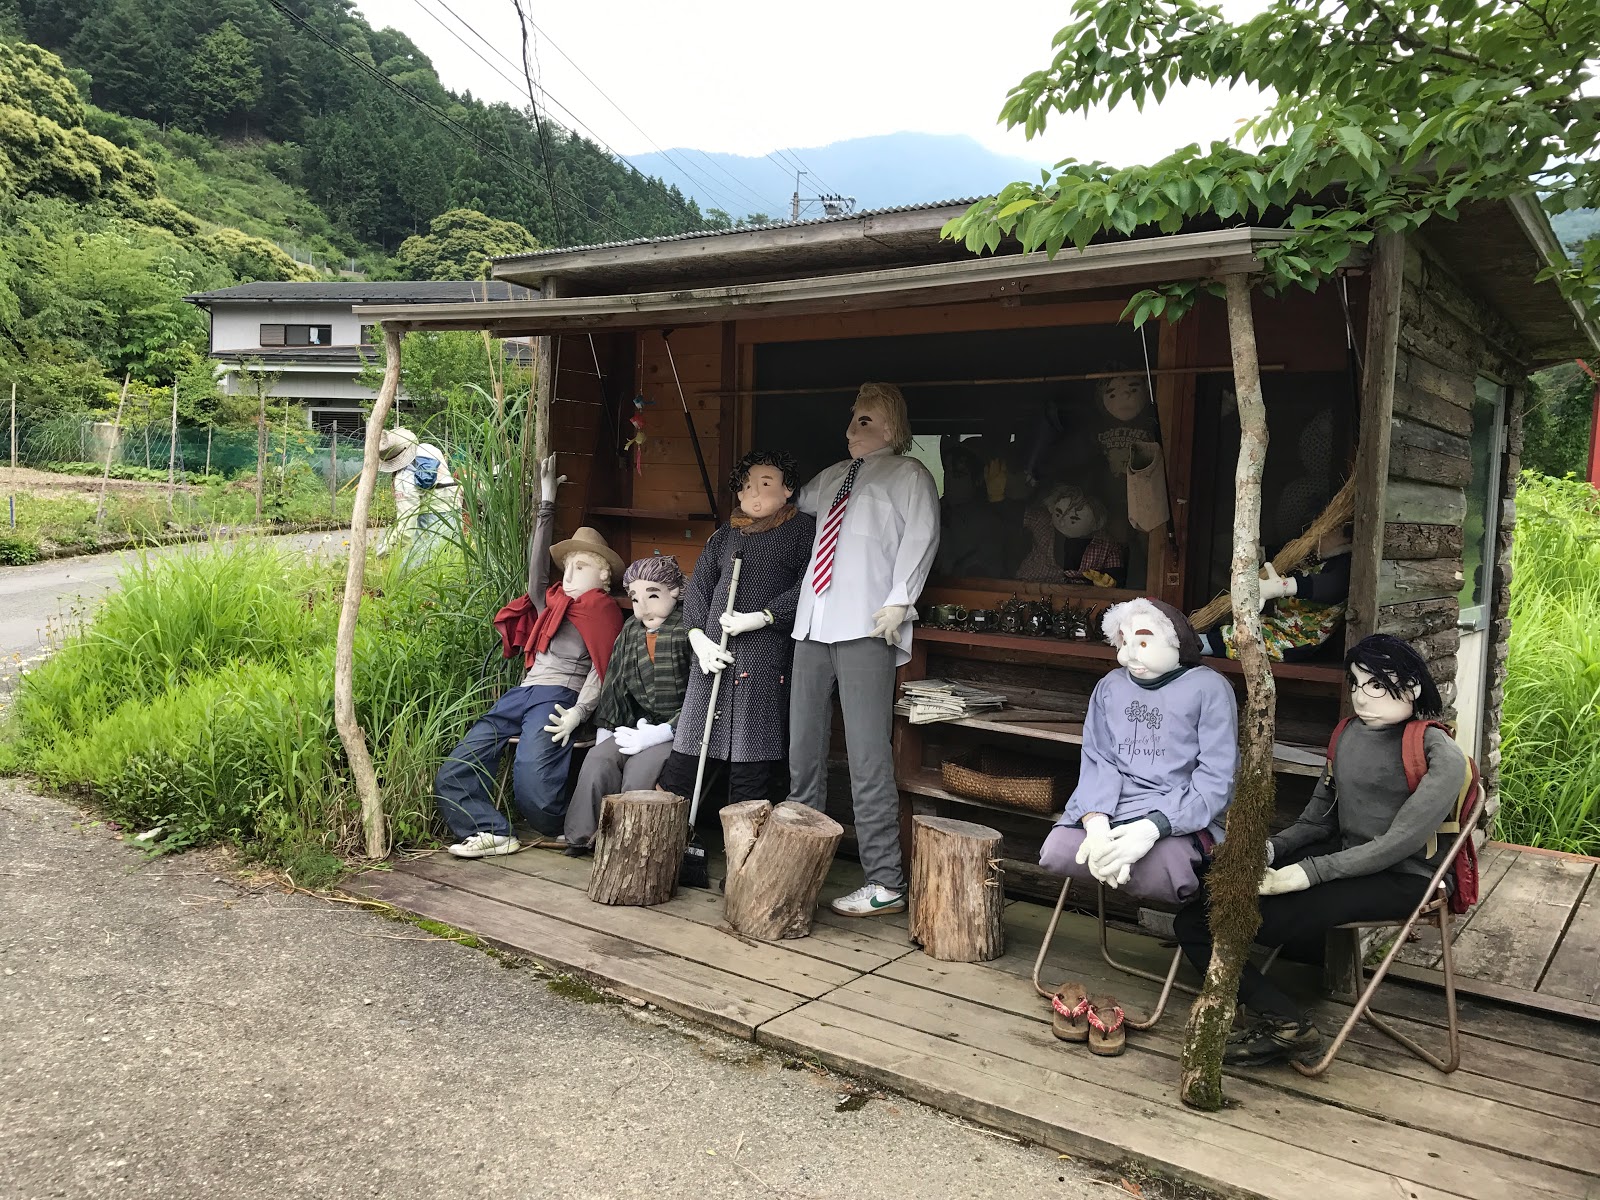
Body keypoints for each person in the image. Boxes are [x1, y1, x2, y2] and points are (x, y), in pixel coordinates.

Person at [1172, 634, 1470, 1066]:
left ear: (1414, 687)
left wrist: (1306, 873)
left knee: (1263, 919)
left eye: (1378, 685)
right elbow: (1318, 819)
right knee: (1197, 914)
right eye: (1356, 684)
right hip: (1344, 862)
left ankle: (1283, 1024)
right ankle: (1286, 1019)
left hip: (1406, 878)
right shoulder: (1346, 734)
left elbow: (1395, 844)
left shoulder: (1438, 752)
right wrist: (1269, 851)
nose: (1363, 697)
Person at [789, 383, 940, 917]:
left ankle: (885, 879)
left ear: (894, 430)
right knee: (803, 749)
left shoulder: (909, 475)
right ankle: (796, 859)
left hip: (866, 624)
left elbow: (922, 538)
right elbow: (788, 498)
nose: (855, 428)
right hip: (812, 624)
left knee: (867, 755)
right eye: (854, 419)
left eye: (868, 420)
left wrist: (900, 601)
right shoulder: (831, 477)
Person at [433, 455, 625, 858]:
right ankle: (491, 831)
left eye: (582, 566)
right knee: (456, 766)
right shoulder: (551, 602)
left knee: (533, 784)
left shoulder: (602, 611)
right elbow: (536, 571)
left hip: (560, 695)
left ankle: (561, 825)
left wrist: (581, 711)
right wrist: (547, 501)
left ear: (604, 576)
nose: (569, 574)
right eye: (567, 566)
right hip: (521, 693)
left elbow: (602, 667)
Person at [1039, 597, 1238, 904]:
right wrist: (1096, 824)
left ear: (1177, 643)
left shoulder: (1210, 688)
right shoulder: (1110, 686)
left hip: (1178, 809)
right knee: (1059, 849)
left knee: (1166, 868)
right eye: (1124, 642)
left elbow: (1216, 775)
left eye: (1142, 643)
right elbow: (1098, 758)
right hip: (1114, 805)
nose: (1128, 655)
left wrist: (1153, 827)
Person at [655, 451, 816, 809]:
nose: (754, 493)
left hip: (762, 656)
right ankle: (668, 839)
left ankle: (746, 850)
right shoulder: (726, 534)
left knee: (752, 751)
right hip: (713, 655)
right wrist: (697, 638)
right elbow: (699, 587)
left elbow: (811, 585)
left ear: (788, 489)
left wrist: (764, 616)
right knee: (690, 750)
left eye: (765, 483)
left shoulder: (803, 531)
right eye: (746, 486)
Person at [563, 555, 693, 855]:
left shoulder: (690, 630)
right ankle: (582, 835)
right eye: (635, 598)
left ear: (673, 592)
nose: (643, 607)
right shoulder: (631, 631)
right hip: (638, 722)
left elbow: (702, 695)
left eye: (653, 595)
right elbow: (617, 684)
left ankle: (628, 844)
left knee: (641, 769)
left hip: (680, 728)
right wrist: (607, 731)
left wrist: (665, 731)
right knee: (598, 760)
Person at [375, 427, 457, 561]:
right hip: (454, 515)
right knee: (450, 563)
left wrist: (384, 551)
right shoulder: (430, 450)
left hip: (430, 521)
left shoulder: (404, 479)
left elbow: (406, 527)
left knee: (412, 572)